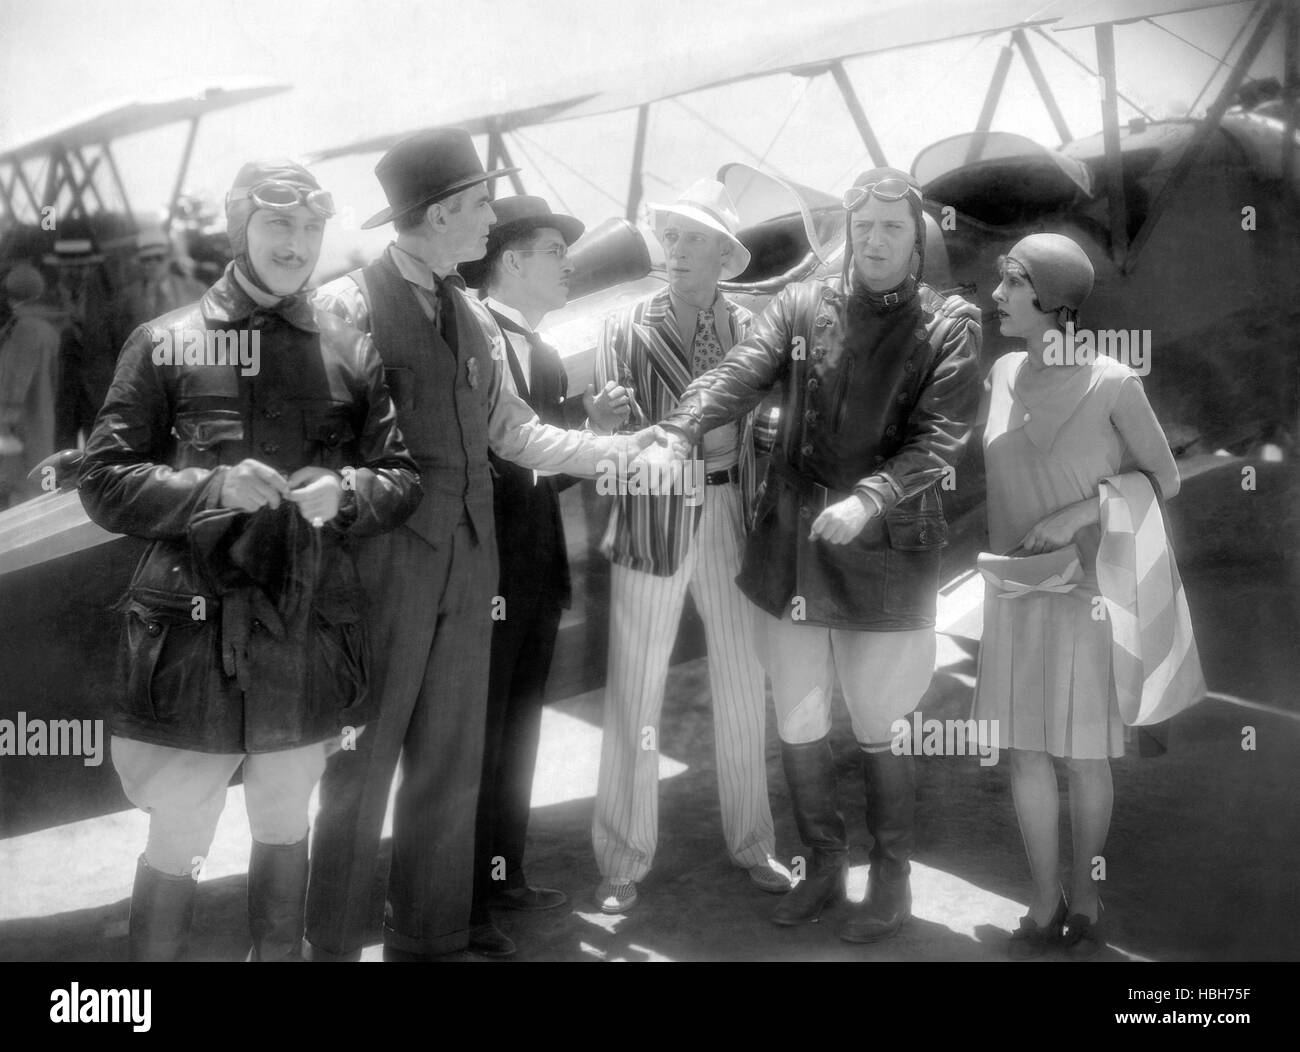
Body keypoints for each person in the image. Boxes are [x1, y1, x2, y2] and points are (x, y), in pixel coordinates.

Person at [306, 130, 661, 962]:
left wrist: (614, 451)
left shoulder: (470, 314)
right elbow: (320, 451)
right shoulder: (347, 308)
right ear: (434, 217)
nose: (489, 221)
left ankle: (429, 936)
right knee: (362, 765)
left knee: (451, 761)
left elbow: (512, 430)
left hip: (472, 568)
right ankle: (329, 941)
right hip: (384, 569)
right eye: (475, 208)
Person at [77, 159, 423, 962]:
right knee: (182, 825)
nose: (296, 244)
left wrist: (347, 492)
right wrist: (213, 487)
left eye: (309, 227)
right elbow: (103, 480)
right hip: (192, 632)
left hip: (304, 627)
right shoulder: (163, 341)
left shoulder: (349, 347)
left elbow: (402, 477)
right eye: (277, 225)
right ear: (241, 228)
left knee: (282, 814)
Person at [645, 168, 982, 942]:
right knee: (797, 716)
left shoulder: (948, 326)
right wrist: (678, 429)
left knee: (880, 720)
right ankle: (823, 868)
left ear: (917, 239)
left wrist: (870, 498)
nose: (874, 241)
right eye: (863, 227)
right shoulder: (801, 303)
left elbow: (942, 438)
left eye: (893, 229)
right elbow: (740, 372)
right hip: (795, 539)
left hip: (887, 544)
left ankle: (891, 881)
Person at [972, 233, 1182, 960]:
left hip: (1086, 594)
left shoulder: (1115, 383)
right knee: (1026, 755)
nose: (997, 296)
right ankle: (1040, 900)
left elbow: (1166, 478)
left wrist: (1084, 508)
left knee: (1085, 757)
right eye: (1001, 281)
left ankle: (1087, 897)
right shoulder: (1001, 373)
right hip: (1015, 590)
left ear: (1053, 301)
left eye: (1012, 283)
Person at [590, 178, 791, 915]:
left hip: (734, 500)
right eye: (668, 236)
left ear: (722, 253)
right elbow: (612, 434)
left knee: (744, 683)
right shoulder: (623, 326)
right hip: (654, 512)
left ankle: (755, 844)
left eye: (691, 238)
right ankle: (620, 862)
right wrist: (601, 413)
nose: (675, 250)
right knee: (634, 689)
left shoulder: (757, 325)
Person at [460, 195, 632, 956]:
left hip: (531, 580)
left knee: (518, 735)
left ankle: (502, 876)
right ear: (510, 261)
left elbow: (542, 475)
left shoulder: (544, 350)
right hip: (483, 582)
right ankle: (459, 902)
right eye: (552, 253)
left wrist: (596, 432)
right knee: (478, 741)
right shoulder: (474, 336)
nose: (567, 265)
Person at [0, 263, 60, 507]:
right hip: (41, 419)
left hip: (21, 428)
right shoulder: (48, 327)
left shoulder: (26, 329)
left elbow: (15, 382)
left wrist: (4, 427)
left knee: (19, 495)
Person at [123, 228, 206, 328]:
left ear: (169, 258)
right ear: (139, 262)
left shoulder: (195, 288)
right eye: (146, 259)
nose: (153, 264)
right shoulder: (129, 298)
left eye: (159, 257)